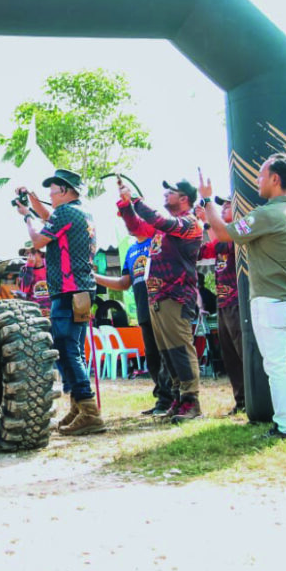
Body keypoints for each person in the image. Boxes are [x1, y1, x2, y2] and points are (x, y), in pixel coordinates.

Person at [200, 154, 286, 439]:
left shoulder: (266, 214)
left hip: (270, 300)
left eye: (261, 176)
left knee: (277, 365)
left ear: (275, 179)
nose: (257, 181)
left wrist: (207, 201)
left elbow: (223, 233)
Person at [17, 168, 104, 436]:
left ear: (64, 191)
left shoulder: (66, 213)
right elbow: (51, 220)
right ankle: (80, 406)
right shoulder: (79, 212)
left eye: (52, 192)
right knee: (72, 349)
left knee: (67, 349)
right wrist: (33, 201)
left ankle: (89, 411)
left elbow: (39, 239)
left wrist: (28, 217)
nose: (50, 197)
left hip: (68, 291)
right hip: (80, 290)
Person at [118, 177, 206, 423]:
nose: (165, 194)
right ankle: (178, 397)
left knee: (179, 348)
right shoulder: (163, 229)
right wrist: (126, 206)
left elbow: (158, 219)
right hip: (157, 296)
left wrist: (135, 199)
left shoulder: (190, 223)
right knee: (167, 352)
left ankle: (191, 401)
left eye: (171, 192)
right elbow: (136, 228)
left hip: (176, 296)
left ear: (184, 198)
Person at [93, 203, 172, 415]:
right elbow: (124, 283)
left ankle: (173, 399)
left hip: (162, 305)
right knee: (152, 356)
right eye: (124, 219)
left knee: (167, 354)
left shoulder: (157, 240)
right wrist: (94, 277)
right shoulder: (130, 250)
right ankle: (162, 400)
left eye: (131, 219)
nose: (128, 224)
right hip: (142, 309)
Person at [198, 195, 245, 415]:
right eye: (222, 204)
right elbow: (207, 250)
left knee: (243, 351)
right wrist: (204, 223)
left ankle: (255, 397)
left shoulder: (240, 231)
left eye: (228, 203)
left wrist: (208, 221)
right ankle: (242, 400)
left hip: (239, 301)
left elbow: (222, 244)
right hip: (223, 301)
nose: (224, 206)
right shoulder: (221, 234)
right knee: (229, 355)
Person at [16, 242, 50, 316]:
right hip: (34, 311)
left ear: (41, 253)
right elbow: (24, 290)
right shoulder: (24, 269)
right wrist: (29, 268)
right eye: (27, 253)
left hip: (52, 310)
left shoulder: (50, 267)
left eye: (33, 252)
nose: (30, 256)